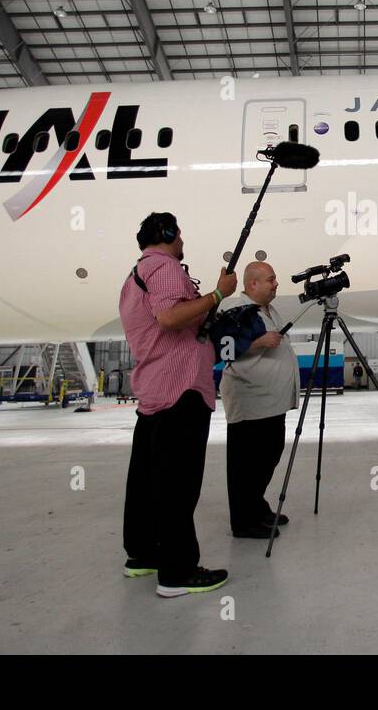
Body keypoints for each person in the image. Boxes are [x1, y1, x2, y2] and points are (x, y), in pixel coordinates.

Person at [118, 211, 237, 598]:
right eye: (179, 233)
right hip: (180, 390)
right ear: (168, 234)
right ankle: (177, 572)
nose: (182, 239)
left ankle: (143, 555)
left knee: (147, 482)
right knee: (177, 486)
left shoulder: (137, 273)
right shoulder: (166, 268)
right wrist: (217, 295)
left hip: (154, 390)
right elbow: (170, 317)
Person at [217, 261, 299, 538]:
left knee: (268, 456)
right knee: (246, 464)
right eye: (271, 279)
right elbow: (225, 350)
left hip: (271, 401)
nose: (276, 284)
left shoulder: (267, 309)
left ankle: (257, 506)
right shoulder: (234, 310)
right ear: (253, 284)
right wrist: (259, 343)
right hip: (250, 400)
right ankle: (243, 522)